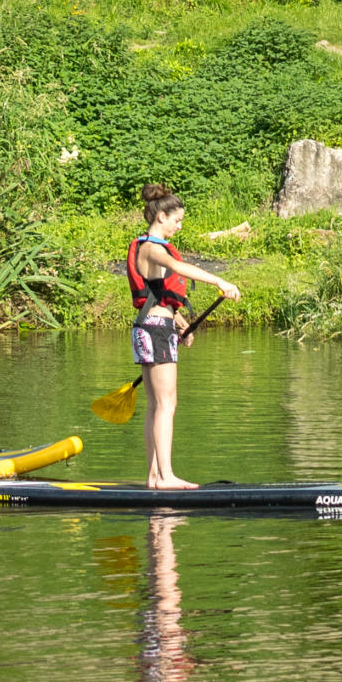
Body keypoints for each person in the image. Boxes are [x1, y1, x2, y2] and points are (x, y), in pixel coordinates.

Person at [127, 186, 241, 492]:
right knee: (166, 405)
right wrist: (219, 280)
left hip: (150, 326)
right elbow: (178, 267)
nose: (179, 226)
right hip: (155, 330)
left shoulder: (147, 247)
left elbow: (156, 295)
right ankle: (165, 477)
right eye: (176, 220)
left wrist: (179, 322)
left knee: (156, 405)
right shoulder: (152, 248)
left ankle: (154, 477)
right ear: (161, 217)